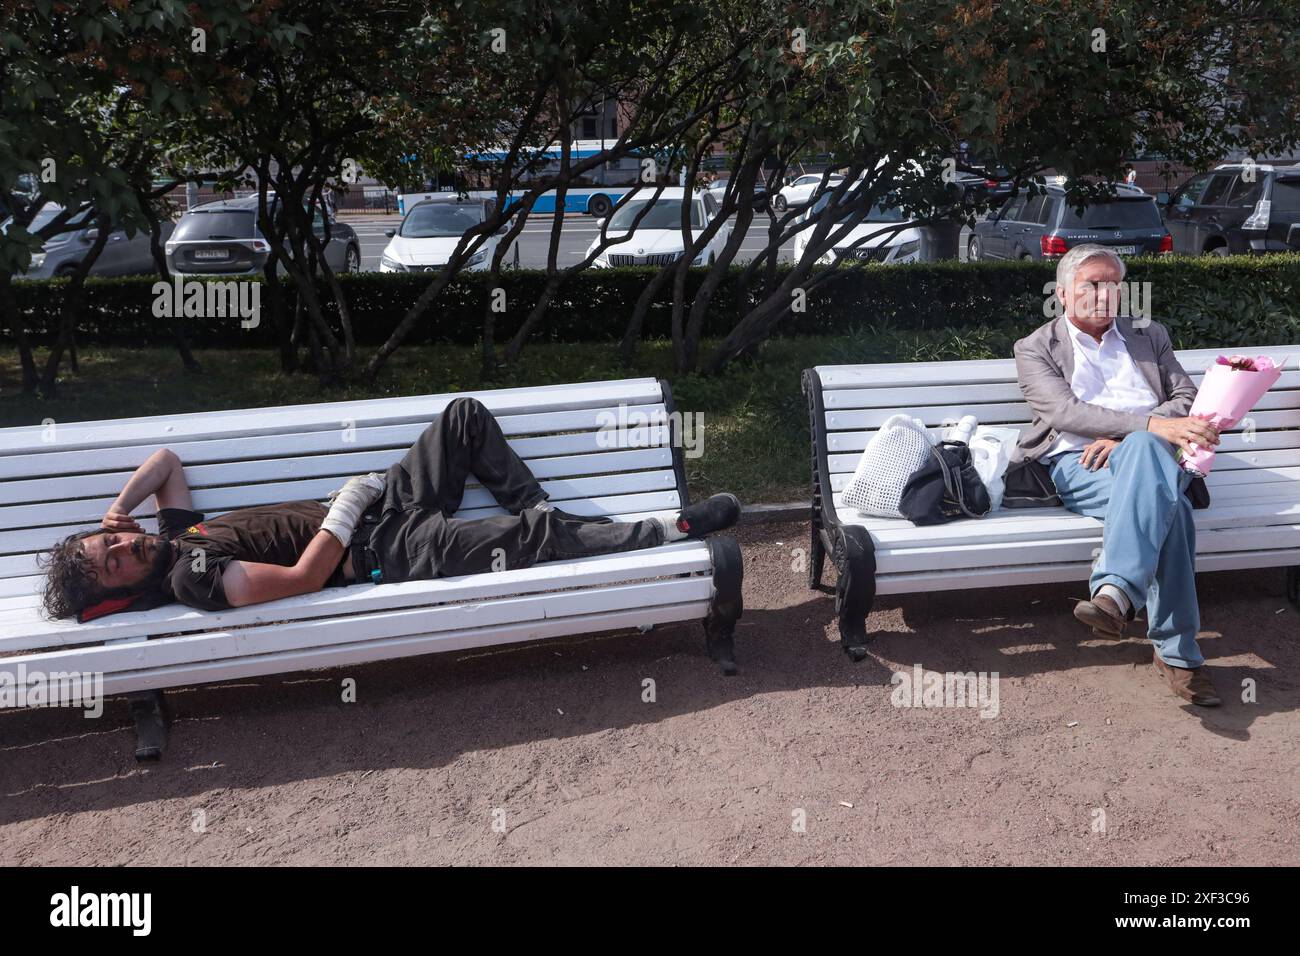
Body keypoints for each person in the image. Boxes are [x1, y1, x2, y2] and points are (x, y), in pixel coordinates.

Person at [39, 397, 740, 618]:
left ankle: (551, 520)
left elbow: (166, 465)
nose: (126, 550)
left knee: (464, 418)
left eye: (115, 544)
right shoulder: (189, 577)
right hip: (380, 553)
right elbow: (304, 579)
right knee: (523, 540)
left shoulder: (168, 536)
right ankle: (666, 529)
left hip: (382, 505)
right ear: (120, 591)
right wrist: (346, 510)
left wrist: (117, 506)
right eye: (114, 565)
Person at [1011, 244, 1222, 706]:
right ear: (1063, 293)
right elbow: (1065, 412)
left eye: (1114, 285)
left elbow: (1186, 396)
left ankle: (1115, 595)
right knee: (1175, 512)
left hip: (1154, 455)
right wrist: (1145, 426)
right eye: (1093, 284)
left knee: (1149, 457)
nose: (1105, 294)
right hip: (1080, 464)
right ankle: (1179, 655)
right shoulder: (1035, 348)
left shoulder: (1149, 335)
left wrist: (1136, 438)